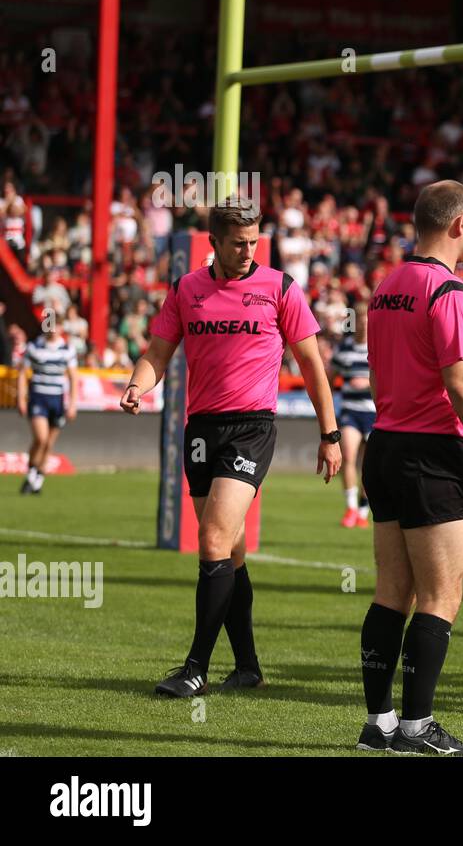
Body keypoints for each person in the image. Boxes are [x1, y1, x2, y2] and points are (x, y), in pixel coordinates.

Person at [121, 199, 342, 697]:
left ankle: (195, 667)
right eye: (238, 243)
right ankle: (248, 666)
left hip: (252, 428)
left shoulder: (280, 288)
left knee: (214, 540)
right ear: (214, 243)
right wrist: (138, 385)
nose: (248, 251)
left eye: (254, 242)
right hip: (201, 429)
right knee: (231, 551)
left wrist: (329, 436)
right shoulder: (185, 290)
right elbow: (158, 352)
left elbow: (312, 367)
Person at [356, 181, 463, 756]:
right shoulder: (451, 291)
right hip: (431, 452)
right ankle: (416, 728)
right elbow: (462, 380)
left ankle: (378, 724)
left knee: (389, 592)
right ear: (459, 225)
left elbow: (378, 376)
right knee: (440, 596)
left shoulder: (387, 286)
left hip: (386, 445)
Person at [16, 311, 77, 496]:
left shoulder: (67, 349)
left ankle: (36, 480)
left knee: (49, 444)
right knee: (40, 439)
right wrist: (20, 397)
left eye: (56, 324)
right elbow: (22, 374)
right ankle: (32, 473)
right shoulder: (34, 346)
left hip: (57, 400)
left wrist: (72, 404)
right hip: (38, 397)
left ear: (61, 327)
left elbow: (73, 378)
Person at [331, 305, 374, 529]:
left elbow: (389, 378)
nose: (365, 326)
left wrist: (367, 382)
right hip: (350, 410)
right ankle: (350, 507)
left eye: (368, 321)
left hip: (373, 412)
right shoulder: (345, 348)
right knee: (348, 456)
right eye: (361, 322)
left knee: (369, 465)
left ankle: (363, 510)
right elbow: (330, 375)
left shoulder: (378, 347)